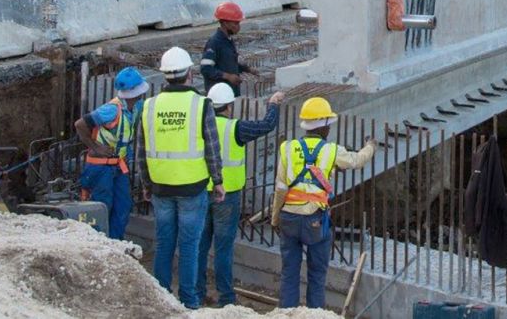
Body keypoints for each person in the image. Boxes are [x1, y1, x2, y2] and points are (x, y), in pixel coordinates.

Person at [137, 46, 225, 310]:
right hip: (192, 188)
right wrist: (217, 180)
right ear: (190, 72)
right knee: (189, 246)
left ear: (165, 75)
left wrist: (146, 184)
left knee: (164, 243)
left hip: (161, 187)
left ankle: (162, 299)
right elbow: (212, 146)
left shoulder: (149, 106)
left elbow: (141, 150)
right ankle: (188, 302)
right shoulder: (200, 105)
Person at [272, 97, 378, 309]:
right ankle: (315, 314)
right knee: (317, 275)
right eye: (328, 124)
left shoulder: (287, 148)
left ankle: (286, 313)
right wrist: (370, 146)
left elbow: (281, 189)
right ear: (323, 126)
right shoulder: (331, 150)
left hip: (289, 218)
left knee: (289, 273)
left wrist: (275, 219)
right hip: (315, 221)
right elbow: (357, 160)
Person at [196, 84, 285, 308]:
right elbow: (267, 125)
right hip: (227, 196)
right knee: (223, 249)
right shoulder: (235, 128)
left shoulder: (198, 125)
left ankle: (195, 294)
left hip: (199, 192)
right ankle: (226, 298)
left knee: (199, 245)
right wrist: (273, 103)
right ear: (228, 106)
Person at [73, 66, 149, 240]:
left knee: (122, 207)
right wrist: (96, 147)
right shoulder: (112, 109)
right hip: (100, 168)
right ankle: (100, 246)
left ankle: (116, 245)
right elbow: (80, 124)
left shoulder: (134, 107)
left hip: (117, 166)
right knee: (102, 208)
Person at [201, 1, 251, 94]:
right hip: (219, 97)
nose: (239, 27)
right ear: (225, 23)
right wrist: (228, 76)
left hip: (230, 93)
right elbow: (205, 69)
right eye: (235, 23)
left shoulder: (229, 40)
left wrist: (247, 69)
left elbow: (227, 64)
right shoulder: (214, 43)